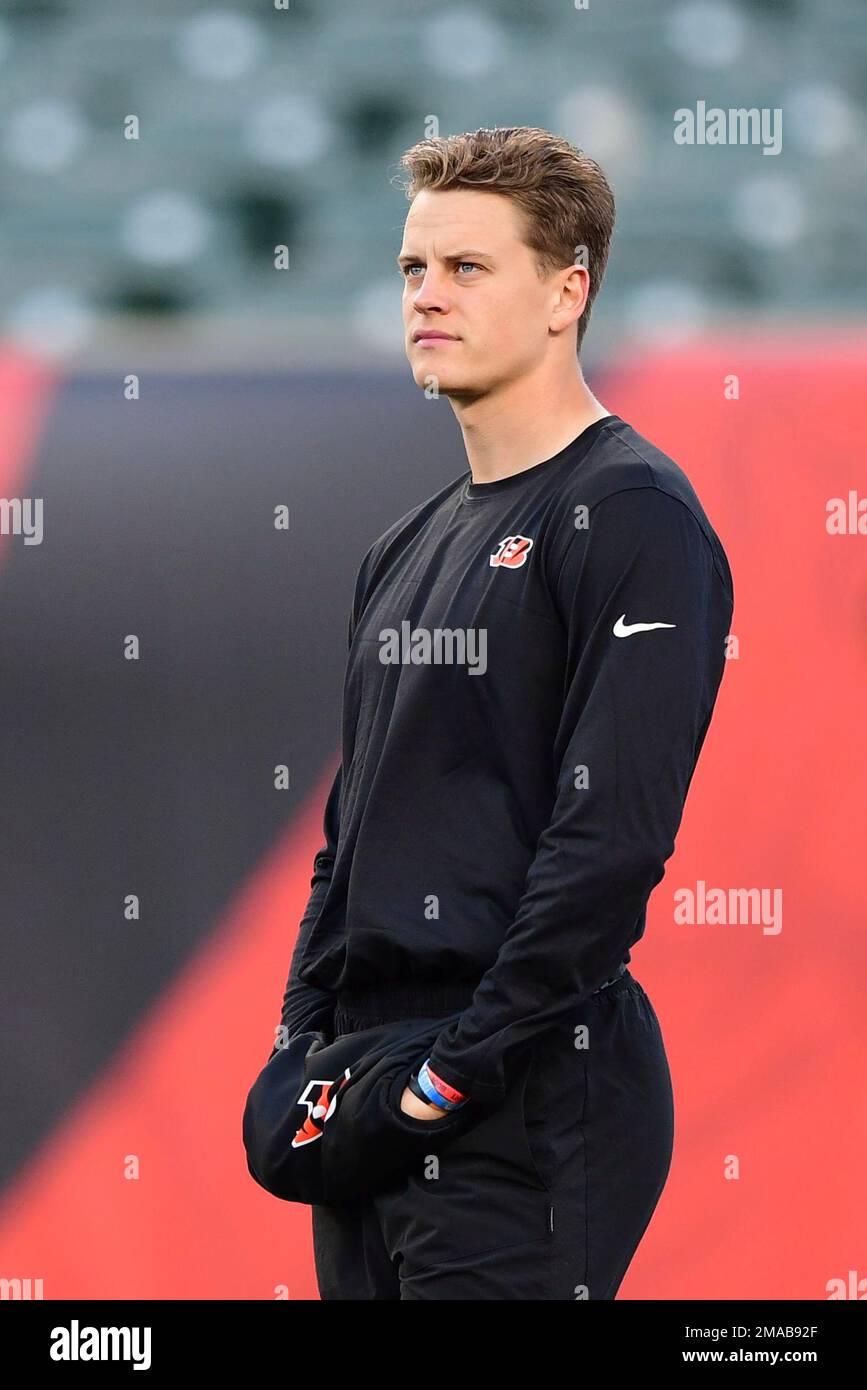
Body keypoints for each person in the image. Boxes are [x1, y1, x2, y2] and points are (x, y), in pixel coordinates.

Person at [277, 126, 734, 1299]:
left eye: (467, 267)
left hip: (529, 1081)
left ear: (566, 292)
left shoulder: (634, 514)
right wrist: (301, 1049)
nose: (427, 295)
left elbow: (609, 846)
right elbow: (350, 834)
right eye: (412, 269)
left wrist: (459, 1072)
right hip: (377, 1083)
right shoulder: (402, 546)